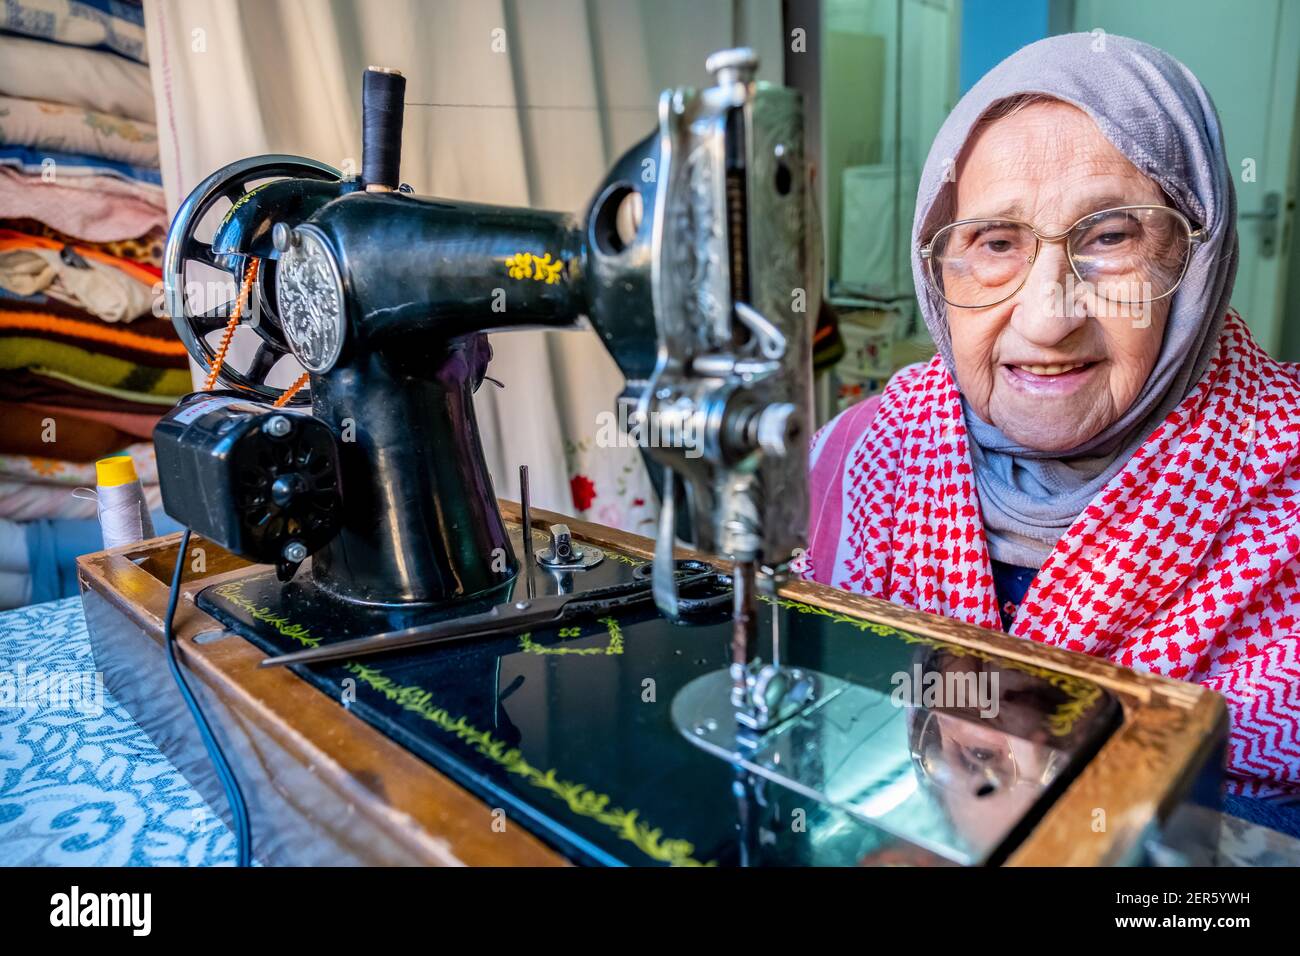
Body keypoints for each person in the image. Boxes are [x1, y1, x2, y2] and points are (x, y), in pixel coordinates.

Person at [805, 34, 1300, 805]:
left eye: (1110, 237)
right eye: (994, 242)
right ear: (936, 271)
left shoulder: (1284, 481)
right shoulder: (869, 448)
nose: (1046, 318)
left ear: (1197, 258)